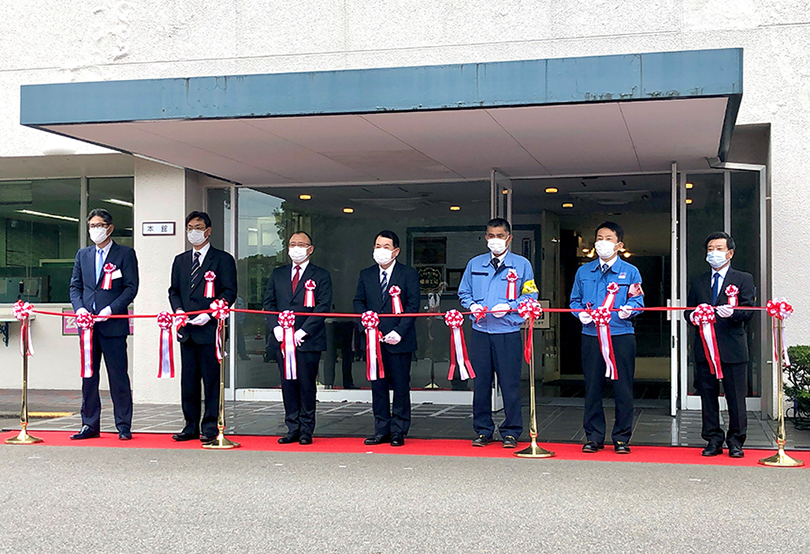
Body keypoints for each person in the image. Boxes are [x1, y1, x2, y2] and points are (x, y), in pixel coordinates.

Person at [458, 218, 538, 448]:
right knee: (481, 384)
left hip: (507, 331)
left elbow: (530, 295)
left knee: (509, 384)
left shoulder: (522, 264)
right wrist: (472, 305)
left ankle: (511, 431)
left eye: (500, 236)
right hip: (481, 331)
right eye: (491, 236)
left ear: (509, 238)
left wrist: (510, 306)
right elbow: (464, 292)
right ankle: (483, 430)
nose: (495, 240)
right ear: (486, 237)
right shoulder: (475, 263)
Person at [570, 221, 644, 454]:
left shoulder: (630, 271)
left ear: (619, 244)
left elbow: (638, 300)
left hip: (620, 335)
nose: (603, 243)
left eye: (608, 239)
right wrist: (580, 313)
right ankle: (594, 437)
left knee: (623, 388)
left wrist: (629, 310)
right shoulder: (583, 271)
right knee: (592, 387)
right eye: (599, 238)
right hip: (591, 335)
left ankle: (622, 438)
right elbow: (574, 301)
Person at [69, 208, 139, 440]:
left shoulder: (124, 254)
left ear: (109, 228)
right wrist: (80, 308)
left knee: (118, 376)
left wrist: (111, 309)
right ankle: (89, 424)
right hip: (88, 326)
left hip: (113, 326)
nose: (95, 230)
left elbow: (131, 288)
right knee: (89, 376)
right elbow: (75, 286)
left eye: (99, 225)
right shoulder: (83, 254)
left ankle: (123, 425)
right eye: (91, 226)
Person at [169, 211, 237, 443]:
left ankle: (210, 426)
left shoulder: (223, 259)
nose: (193, 232)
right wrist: (179, 310)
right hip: (187, 330)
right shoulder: (180, 260)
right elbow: (174, 290)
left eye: (198, 228)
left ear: (208, 231)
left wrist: (210, 314)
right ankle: (190, 425)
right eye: (190, 228)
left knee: (211, 381)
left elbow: (229, 291)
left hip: (210, 330)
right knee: (188, 381)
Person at [687, 231, 755, 458]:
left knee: (736, 397)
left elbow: (748, 311)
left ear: (730, 253)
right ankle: (713, 439)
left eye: (718, 248)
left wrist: (733, 313)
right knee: (707, 396)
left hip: (732, 348)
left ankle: (736, 441)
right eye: (710, 249)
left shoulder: (743, 278)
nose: (713, 253)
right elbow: (688, 310)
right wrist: (694, 316)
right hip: (704, 348)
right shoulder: (699, 281)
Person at [264, 231, 332, 445]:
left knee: (306, 385)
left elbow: (323, 306)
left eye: (300, 244)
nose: (296, 248)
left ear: (310, 249)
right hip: (282, 340)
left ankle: (306, 429)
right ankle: (292, 427)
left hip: (307, 341)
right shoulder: (278, 274)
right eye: (292, 244)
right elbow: (269, 303)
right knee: (288, 384)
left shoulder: (321, 275)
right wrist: (276, 328)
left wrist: (302, 331)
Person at [353, 230, 420, 447]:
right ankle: (381, 429)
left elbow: (413, 305)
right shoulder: (366, 274)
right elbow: (358, 302)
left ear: (396, 251)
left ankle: (399, 430)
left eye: (386, 247)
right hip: (374, 340)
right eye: (377, 246)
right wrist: (366, 324)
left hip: (399, 340)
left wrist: (399, 332)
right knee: (378, 386)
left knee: (401, 386)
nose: (380, 251)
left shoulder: (408, 274)